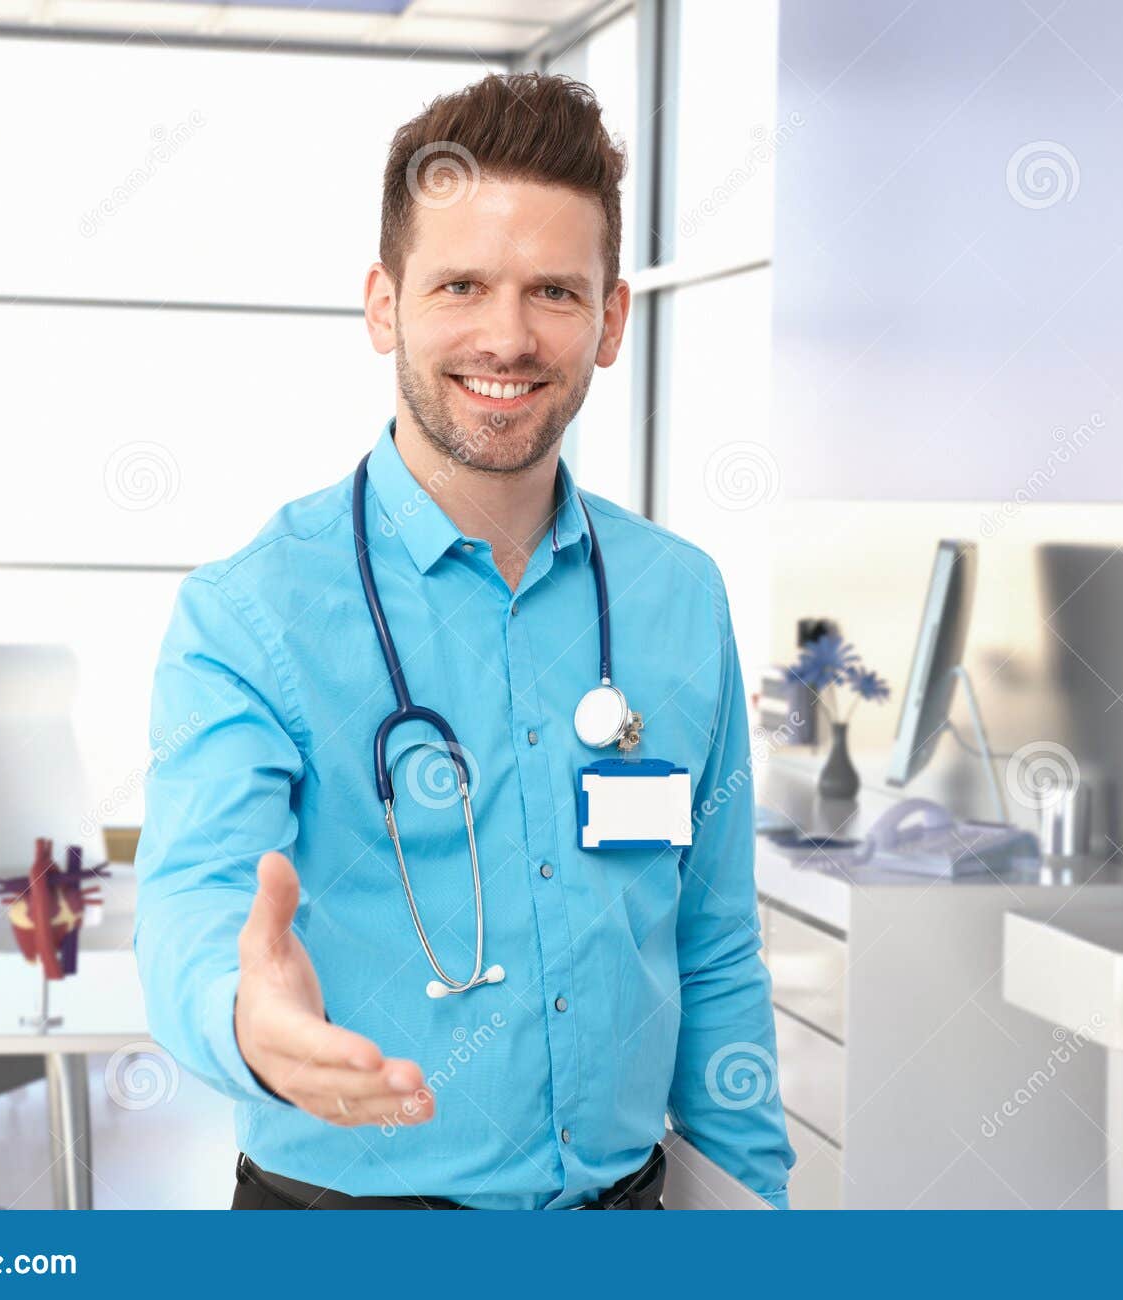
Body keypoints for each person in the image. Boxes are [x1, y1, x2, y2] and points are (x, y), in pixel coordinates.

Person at [134, 71, 793, 1211]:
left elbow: (714, 946)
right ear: (384, 305)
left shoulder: (678, 598)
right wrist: (255, 1022)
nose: (507, 335)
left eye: (552, 290)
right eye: (461, 284)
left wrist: (759, 1208)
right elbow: (194, 896)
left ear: (611, 319)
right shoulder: (252, 610)